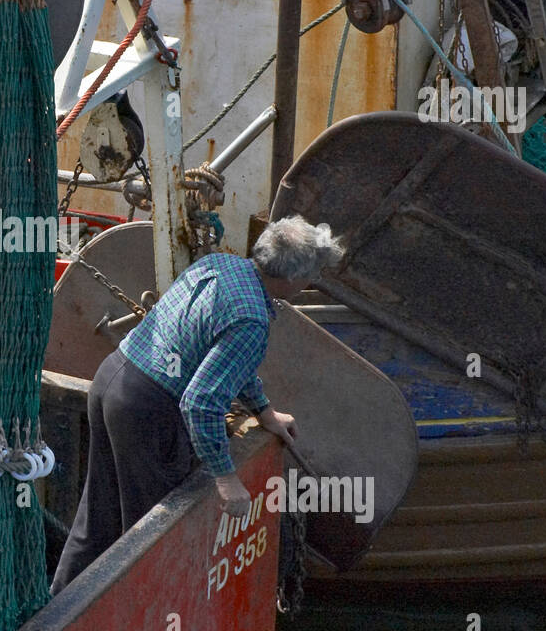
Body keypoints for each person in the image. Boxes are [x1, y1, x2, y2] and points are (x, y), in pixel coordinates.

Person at [50, 215, 346, 595]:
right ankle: (139, 628)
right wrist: (226, 479)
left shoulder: (220, 264)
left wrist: (265, 412)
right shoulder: (252, 319)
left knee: (97, 517)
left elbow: (224, 364)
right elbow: (201, 403)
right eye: (313, 273)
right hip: (145, 408)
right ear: (291, 278)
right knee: (147, 539)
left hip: (112, 377)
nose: (313, 281)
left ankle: (57, 609)